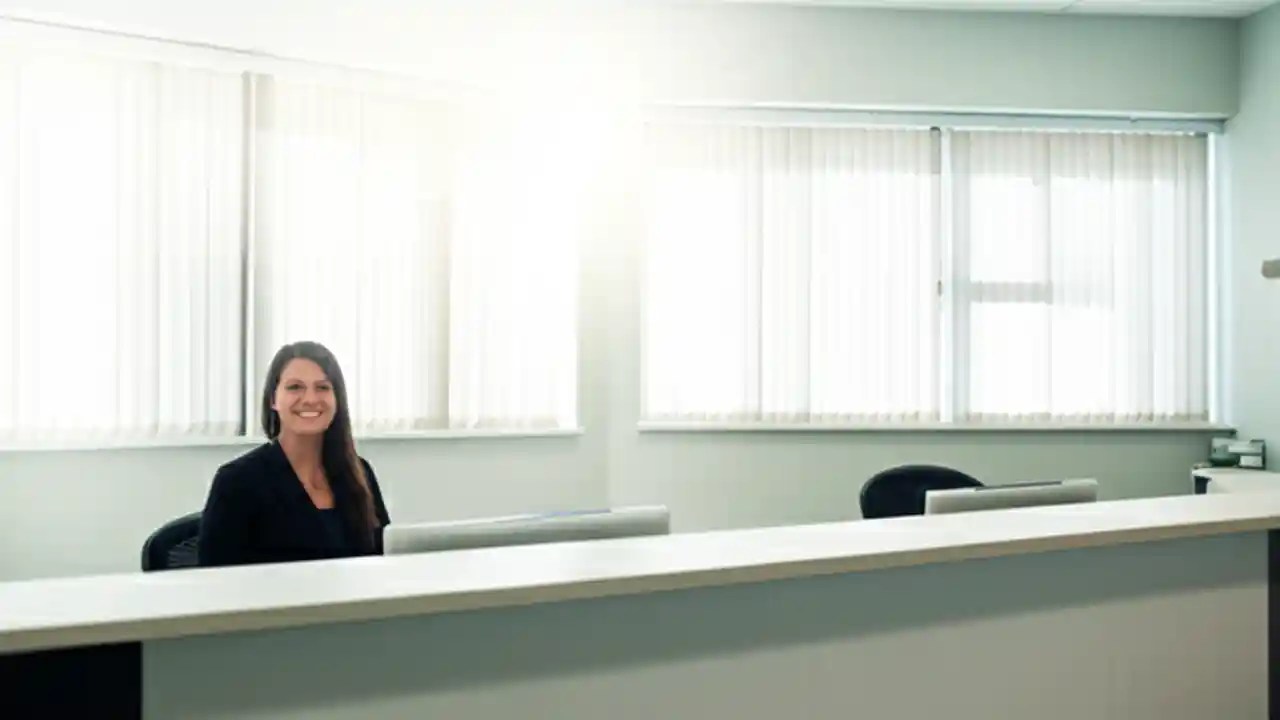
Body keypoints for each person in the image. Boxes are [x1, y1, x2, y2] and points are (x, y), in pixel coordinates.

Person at [198, 341, 390, 567]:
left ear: (337, 400)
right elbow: (215, 583)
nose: (310, 399)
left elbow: (383, 561)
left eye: (323, 387)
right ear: (273, 399)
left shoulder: (359, 473)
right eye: (295, 387)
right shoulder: (237, 482)